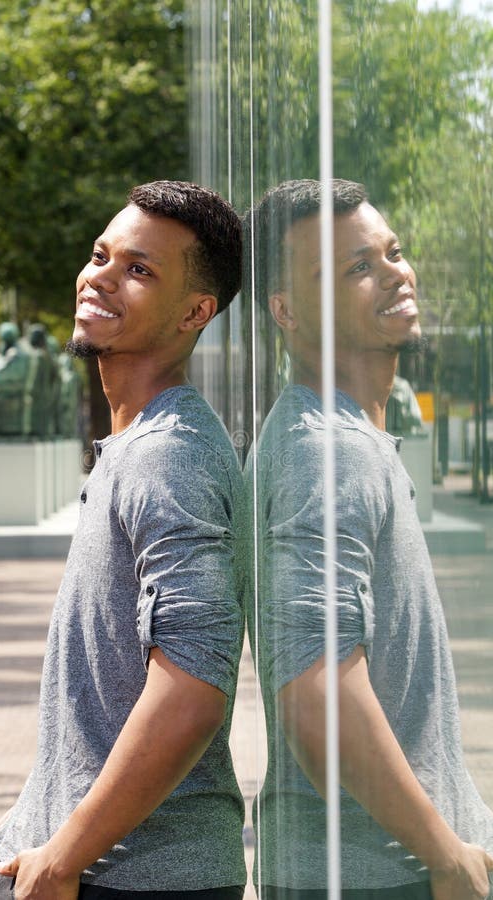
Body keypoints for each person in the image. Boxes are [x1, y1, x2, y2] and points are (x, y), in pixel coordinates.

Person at [0, 180, 247, 900]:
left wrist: (64, 856)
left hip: (124, 874)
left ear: (196, 311)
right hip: (52, 841)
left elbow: (194, 688)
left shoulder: (171, 453)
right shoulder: (137, 441)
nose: (101, 277)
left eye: (140, 270)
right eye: (101, 255)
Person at [247, 178, 493, 899]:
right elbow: (314, 687)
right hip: (375, 877)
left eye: (392, 252)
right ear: (286, 311)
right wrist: (445, 856)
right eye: (357, 268)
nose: (394, 273)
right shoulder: (328, 449)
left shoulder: (347, 437)